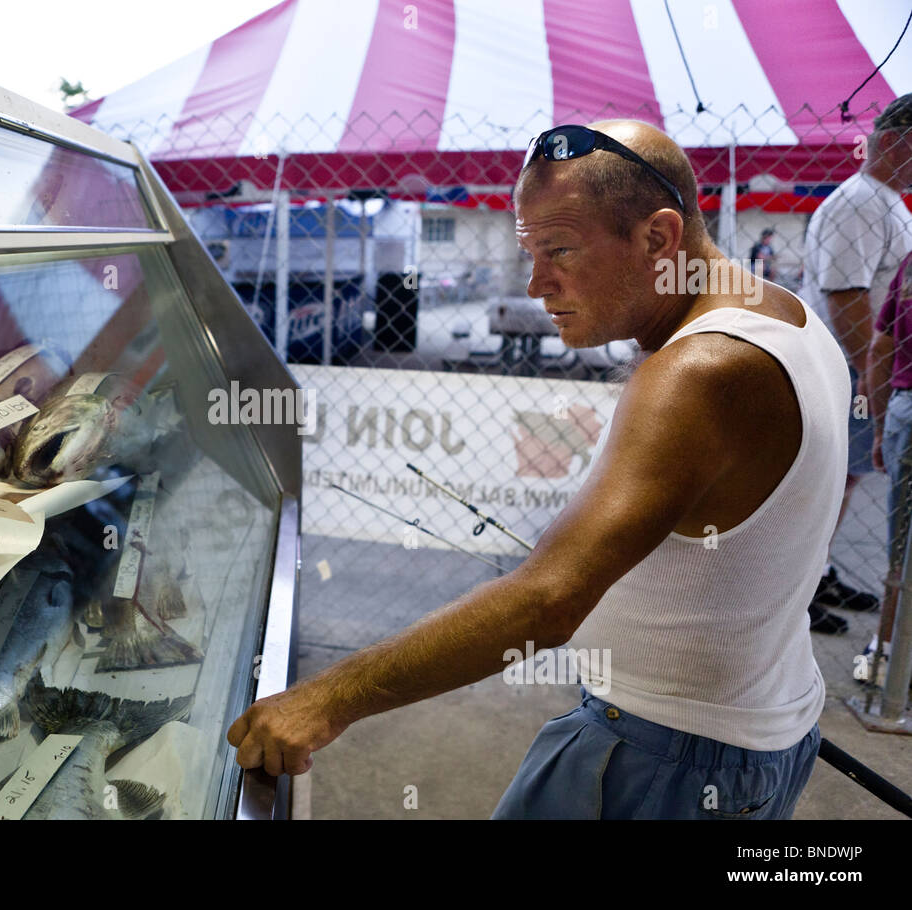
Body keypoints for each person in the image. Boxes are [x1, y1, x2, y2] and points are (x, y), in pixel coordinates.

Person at [228, 119, 849, 819]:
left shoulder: (698, 373)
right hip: (750, 726)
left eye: (560, 250)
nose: (536, 283)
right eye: (531, 249)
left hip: (668, 756)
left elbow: (548, 601)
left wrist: (326, 698)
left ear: (659, 238)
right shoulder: (782, 312)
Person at [800, 93, 912, 636]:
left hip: (855, 367)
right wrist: (875, 376)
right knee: (821, 481)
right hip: (845, 366)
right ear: (894, 142)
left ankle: (814, 574)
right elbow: (847, 299)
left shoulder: (882, 200)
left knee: (840, 480)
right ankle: (794, 588)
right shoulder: (862, 202)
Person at [866, 248, 912, 687]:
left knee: (901, 546)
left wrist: (880, 430)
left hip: (906, 408)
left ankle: (886, 653)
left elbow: (881, 348)